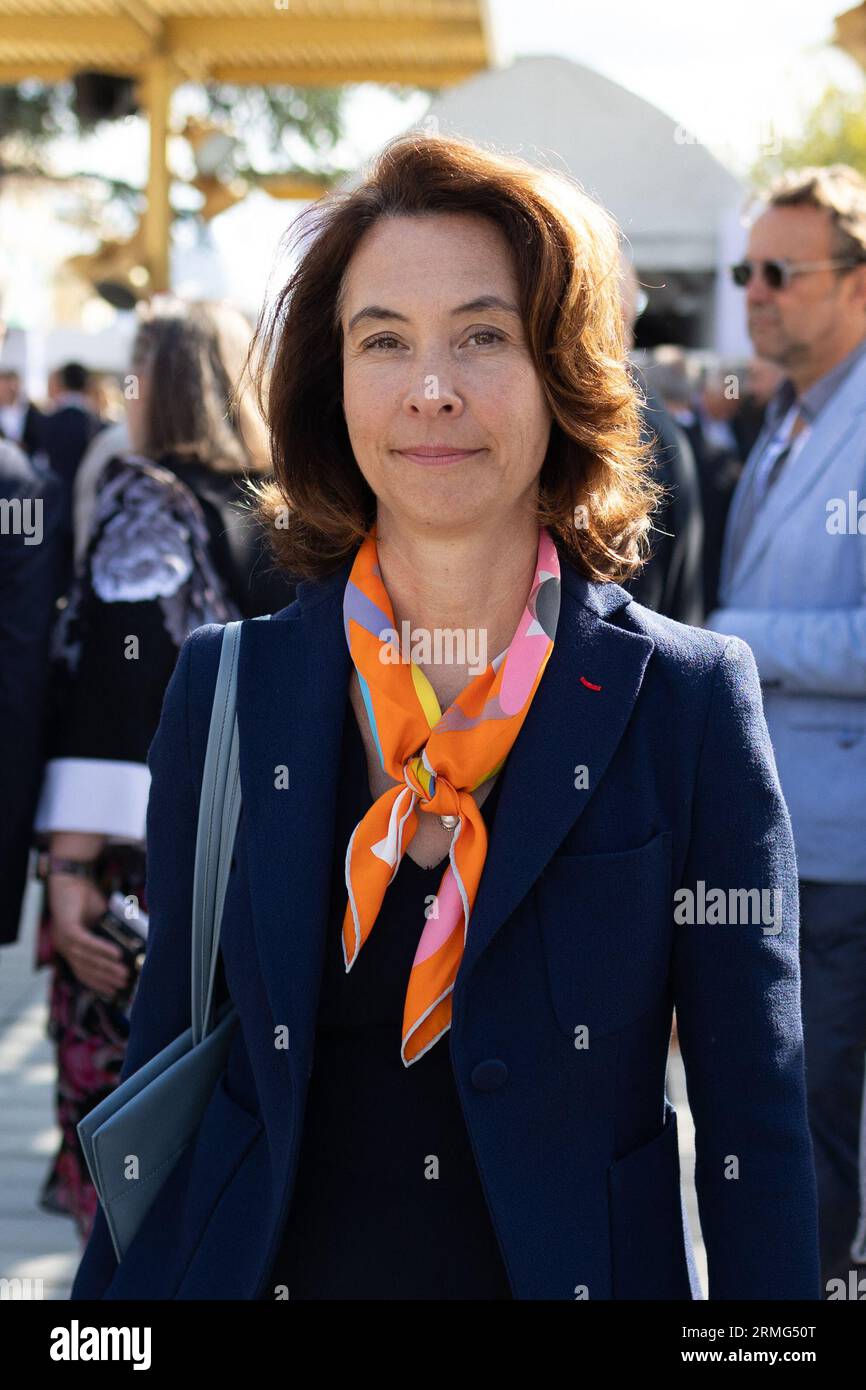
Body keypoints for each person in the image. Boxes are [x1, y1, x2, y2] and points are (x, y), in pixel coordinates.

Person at [71, 133, 819, 1301]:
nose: (431, 388)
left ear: (561, 370)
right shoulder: (228, 689)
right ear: (331, 381)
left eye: (483, 334)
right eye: (383, 341)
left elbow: (753, 1129)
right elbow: (169, 1067)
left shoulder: (682, 700)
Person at [31, 298, 295, 1242]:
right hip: (267, 871)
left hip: (143, 875)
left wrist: (65, 872)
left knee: (126, 1148)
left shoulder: (148, 502)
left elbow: (115, 696)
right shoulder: (291, 509)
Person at [708, 164, 866, 1293]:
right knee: (778, 1128)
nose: (754, 292)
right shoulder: (783, 418)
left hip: (841, 847)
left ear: (854, 283)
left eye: (780, 271)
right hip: (785, 841)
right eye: (743, 271)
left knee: (808, 1139)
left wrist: (729, 638)